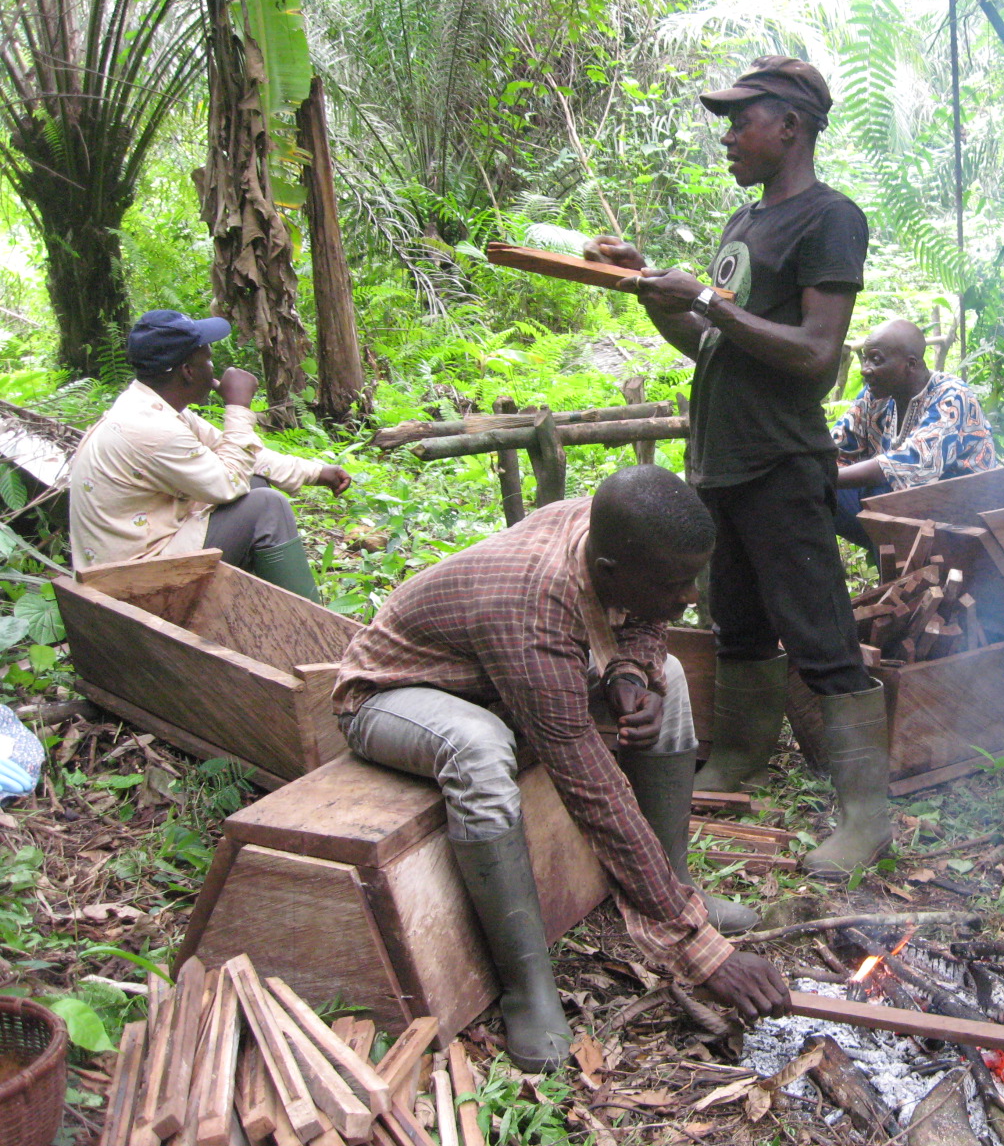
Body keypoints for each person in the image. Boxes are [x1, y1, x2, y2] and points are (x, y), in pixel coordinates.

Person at [333, 466, 787, 1072]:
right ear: (609, 573)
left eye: (692, 578)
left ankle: (678, 883)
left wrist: (631, 675)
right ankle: (528, 983)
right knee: (479, 748)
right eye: (679, 582)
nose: (691, 597)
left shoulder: (613, 534)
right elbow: (594, 792)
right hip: (392, 695)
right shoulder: (531, 615)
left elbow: (645, 613)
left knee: (671, 678)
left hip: (495, 679)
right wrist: (703, 955)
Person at [585, 57, 889, 877]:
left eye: (740, 120)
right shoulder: (742, 225)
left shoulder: (830, 219)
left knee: (821, 636)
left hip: (783, 463)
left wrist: (710, 301)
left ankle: (868, 815)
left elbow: (817, 357)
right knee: (740, 625)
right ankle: (743, 756)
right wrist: (655, 292)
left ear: (789, 126)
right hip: (721, 460)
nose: (727, 136)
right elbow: (715, 348)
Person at [68, 309, 350, 602]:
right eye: (208, 360)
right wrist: (238, 407)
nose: (214, 370)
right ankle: (309, 620)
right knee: (268, 506)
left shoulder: (152, 408)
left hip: (135, 563)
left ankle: (255, 606)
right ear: (188, 371)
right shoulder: (153, 429)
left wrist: (315, 473)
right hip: (131, 585)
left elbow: (242, 457)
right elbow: (228, 481)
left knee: (255, 485)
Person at [831, 318, 999, 548]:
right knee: (815, 493)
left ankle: (895, 564)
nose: (865, 369)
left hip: (960, 517)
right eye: (865, 359)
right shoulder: (875, 395)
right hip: (904, 510)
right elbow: (839, 446)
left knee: (882, 492)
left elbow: (911, 464)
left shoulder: (952, 396)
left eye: (876, 360)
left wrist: (825, 477)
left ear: (910, 364)